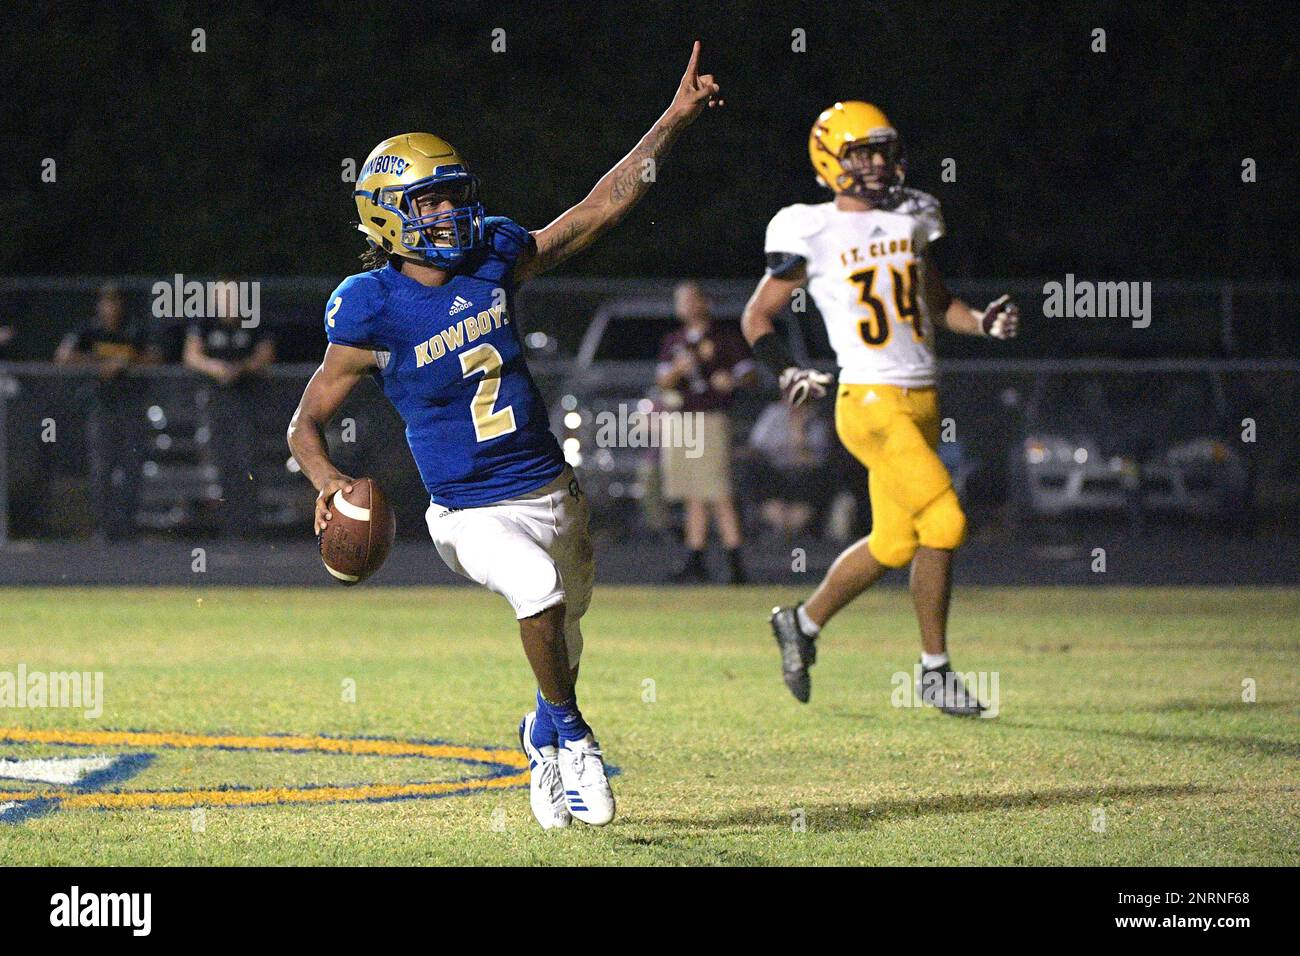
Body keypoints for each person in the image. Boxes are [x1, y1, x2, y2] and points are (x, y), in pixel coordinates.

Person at [286, 43, 723, 830]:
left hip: (555, 491)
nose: (450, 213)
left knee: (565, 625)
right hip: (468, 513)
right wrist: (328, 483)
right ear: (389, 214)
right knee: (538, 593)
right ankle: (578, 739)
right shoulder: (369, 307)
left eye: (453, 197)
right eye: (430, 203)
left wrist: (672, 121)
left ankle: (541, 730)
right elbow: (304, 423)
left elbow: (597, 208)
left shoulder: (491, 255)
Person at [741, 101, 1020, 713]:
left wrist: (982, 322)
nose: (873, 164)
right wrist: (785, 369)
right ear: (829, 160)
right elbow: (757, 315)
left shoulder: (914, 217)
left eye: (879, 150)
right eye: (859, 153)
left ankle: (802, 624)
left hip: (921, 397)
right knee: (944, 521)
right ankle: (934, 670)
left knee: (895, 543)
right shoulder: (806, 227)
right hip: (867, 401)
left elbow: (940, 305)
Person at [655, 281, 756, 583]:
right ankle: (695, 557)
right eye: (679, 300)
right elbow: (663, 382)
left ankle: (734, 560)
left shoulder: (725, 338)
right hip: (681, 419)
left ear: (704, 302)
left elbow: (748, 374)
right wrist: (678, 370)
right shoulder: (674, 341)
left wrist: (733, 381)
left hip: (711, 418)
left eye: (689, 299)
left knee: (717, 490)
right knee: (691, 492)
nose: (683, 305)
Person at [54, 283, 160, 540]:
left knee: (132, 468)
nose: (111, 308)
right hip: (101, 408)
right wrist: (102, 364)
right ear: (100, 305)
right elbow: (62, 356)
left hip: (131, 407)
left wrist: (127, 361)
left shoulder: (134, 330)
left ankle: (127, 528)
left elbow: (156, 356)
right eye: (107, 302)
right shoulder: (89, 330)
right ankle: (103, 528)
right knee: (102, 468)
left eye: (116, 302)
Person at [183, 281, 277, 537]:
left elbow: (266, 354)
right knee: (222, 465)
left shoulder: (253, 320)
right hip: (216, 406)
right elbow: (191, 356)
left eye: (232, 296)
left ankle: (250, 527)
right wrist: (216, 368)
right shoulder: (203, 322)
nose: (228, 302)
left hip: (246, 406)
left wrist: (241, 368)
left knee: (247, 463)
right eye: (222, 297)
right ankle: (226, 528)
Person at [746, 398, 832, 537]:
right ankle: (776, 520)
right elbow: (755, 446)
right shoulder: (774, 413)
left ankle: (796, 524)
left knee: (815, 479)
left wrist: (799, 430)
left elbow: (815, 460)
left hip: (804, 479)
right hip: (773, 474)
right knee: (753, 471)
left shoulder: (815, 419)